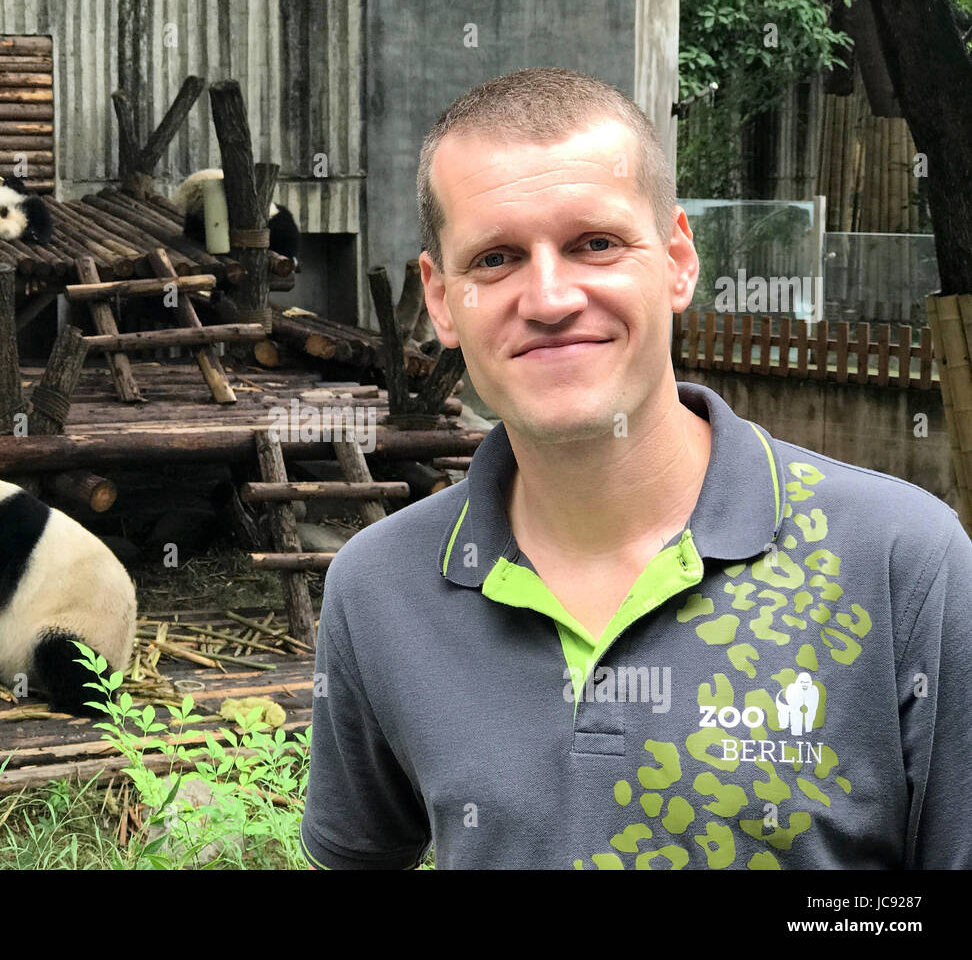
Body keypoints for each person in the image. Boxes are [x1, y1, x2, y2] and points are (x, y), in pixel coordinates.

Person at [299, 67, 972, 870]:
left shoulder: (903, 564)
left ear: (678, 261)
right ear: (442, 299)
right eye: (496, 258)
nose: (549, 298)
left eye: (596, 243)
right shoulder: (379, 587)